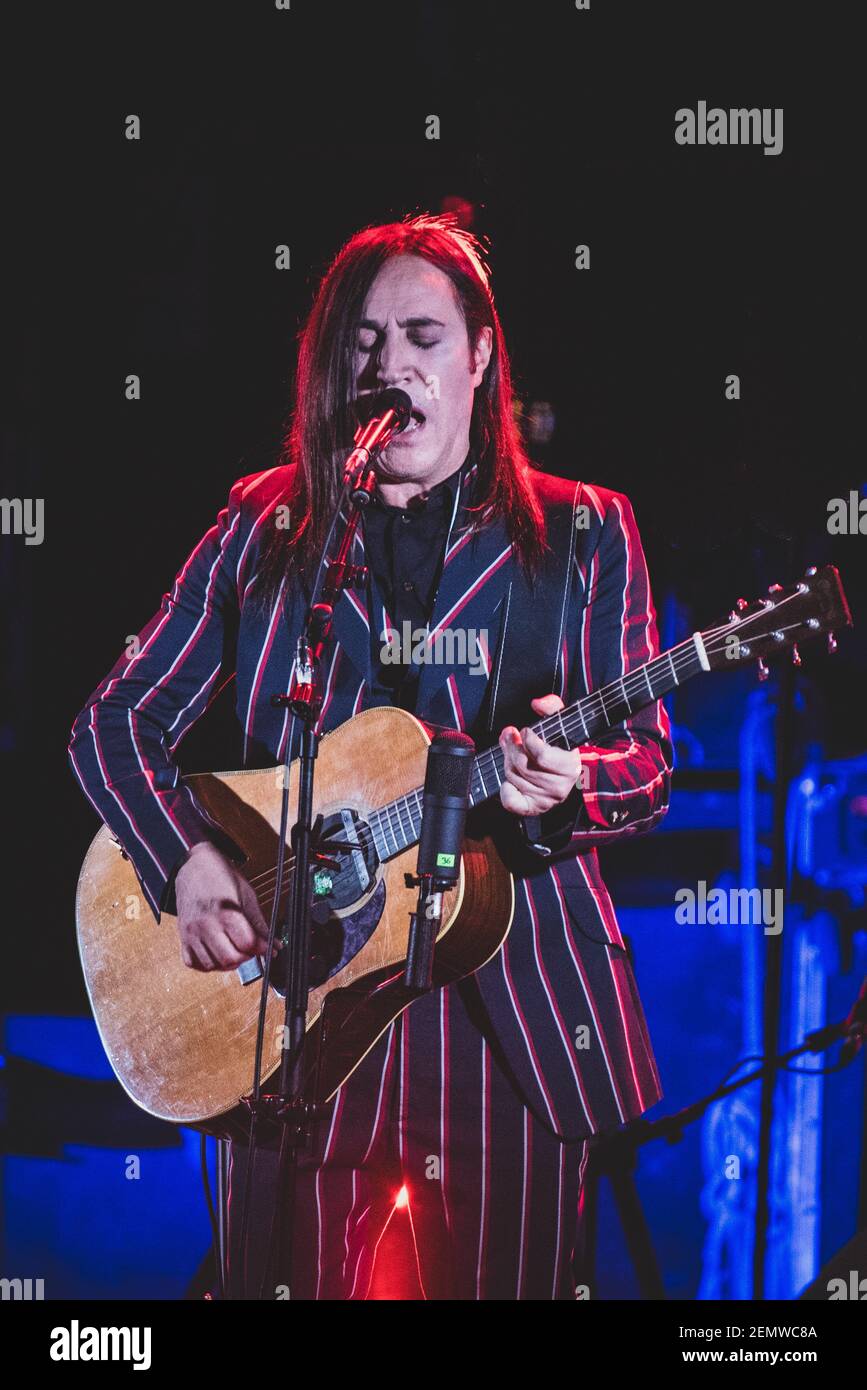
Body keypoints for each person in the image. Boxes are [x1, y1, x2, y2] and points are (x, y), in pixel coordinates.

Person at [68, 212, 673, 1300]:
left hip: (507, 1033)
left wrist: (565, 786)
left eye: (423, 337)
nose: (388, 365)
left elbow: (646, 768)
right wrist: (187, 865)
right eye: (363, 339)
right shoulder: (265, 529)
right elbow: (113, 725)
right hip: (291, 1022)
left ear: (481, 359)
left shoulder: (585, 534)